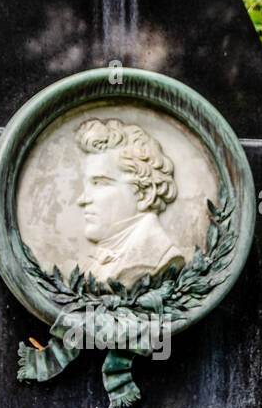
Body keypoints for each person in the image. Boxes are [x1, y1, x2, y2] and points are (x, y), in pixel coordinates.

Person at [76, 117, 186, 287]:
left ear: (145, 193)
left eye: (98, 183)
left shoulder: (155, 261)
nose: (82, 199)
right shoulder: (104, 255)